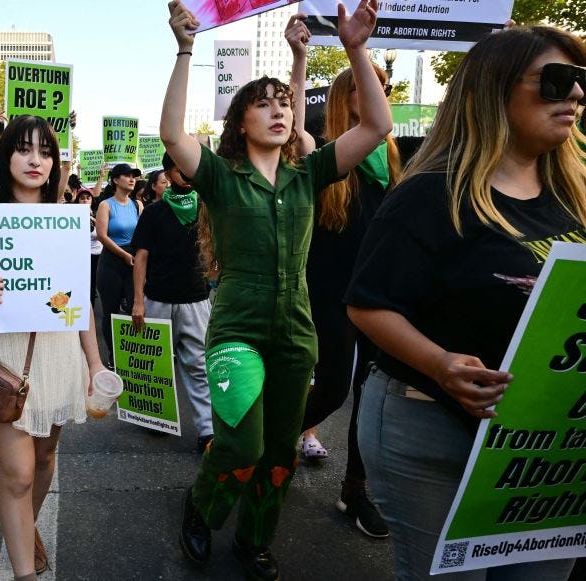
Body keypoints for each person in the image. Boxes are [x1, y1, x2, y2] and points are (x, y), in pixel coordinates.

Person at [346, 26, 586, 581]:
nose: (575, 95)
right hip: (430, 430)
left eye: (581, 83)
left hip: (543, 446)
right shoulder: (430, 194)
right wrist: (439, 363)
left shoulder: (575, 193)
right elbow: (367, 303)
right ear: (494, 90)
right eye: (557, 81)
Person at [161, 1, 391, 577]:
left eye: (285, 103)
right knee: (241, 446)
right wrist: (186, 49)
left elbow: (377, 127)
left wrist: (356, 49)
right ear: (242, 122)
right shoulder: (217, 174)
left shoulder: (310, 174)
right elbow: (172, 132)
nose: (278, 110)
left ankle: (254, 537)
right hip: (236, 330)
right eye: (263, 104)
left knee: (282, 451)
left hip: (296, 332)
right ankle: (201, 506)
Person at [0, 115, 107, 580]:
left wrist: (95, 363)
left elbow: (76, 300)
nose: (35, 159)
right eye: (23, 149)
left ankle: (26, 528)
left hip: (60, 357)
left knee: (43, 458)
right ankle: (23, 572)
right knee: (17, 473)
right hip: (7, 357)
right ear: (6, 158)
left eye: (44, 150)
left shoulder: (66, 222)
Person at [285, 13, 395, 538]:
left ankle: (356, 490)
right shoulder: (325, 153)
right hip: (332, 290)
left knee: (372, 394)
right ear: (347, 94)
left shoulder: (394, 156)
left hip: (383, 292)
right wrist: (301, 59)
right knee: (331, 387)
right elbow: (296, 130)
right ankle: (272, 447)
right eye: (372, 83)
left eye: (387, 85)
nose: (382, 91)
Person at [130, 153, 213, 453]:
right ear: (168, 173)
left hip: (196, 300)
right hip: (158, 299)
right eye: (181, 168)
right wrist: (138, 301)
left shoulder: (206, 208)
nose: (188, 173)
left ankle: (207, 431)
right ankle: (156, 418)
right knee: (154, 362)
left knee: (199, 365)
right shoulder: (153, 213)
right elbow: (141, 258)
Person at [95, 162, 143, 359]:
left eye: (134, 175)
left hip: (133, 261)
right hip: (111, 262)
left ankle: (136, 355)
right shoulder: (106, 205)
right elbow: (102, 236)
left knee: (137, 309)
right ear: (115, 180)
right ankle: (114, 356)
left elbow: (142, 234)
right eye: (127, 175)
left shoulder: (137, 204)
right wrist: (123, 255)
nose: (132, 179)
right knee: (111, 312)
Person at [76, 187, 103, 304]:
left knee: (96, 284)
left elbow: (104, 233)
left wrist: (95, 221)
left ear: (92, 200)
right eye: (82, 198)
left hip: (99, 255)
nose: (85, 200)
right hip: (83, 256)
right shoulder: (73, 217)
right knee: (86, 285)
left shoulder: (99, 214)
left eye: (88, 198)